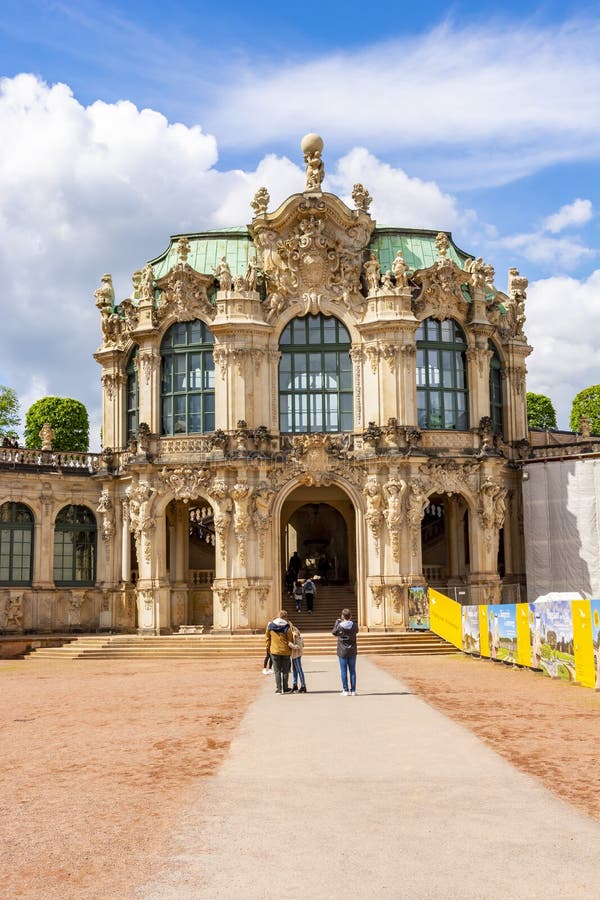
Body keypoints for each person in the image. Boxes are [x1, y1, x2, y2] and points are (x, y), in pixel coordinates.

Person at [265, 609, 294, 694]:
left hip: (274, 651)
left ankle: (279, 688)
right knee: (285, 670)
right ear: (285, 617)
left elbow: (267, 638)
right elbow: (290, 639)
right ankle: (285, 687)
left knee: (277, 671)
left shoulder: (270, 626)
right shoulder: (287, 626)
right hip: (285, 651)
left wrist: (268, 647)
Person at [332, 608, 358, 696]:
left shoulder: (339, 625)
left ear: (342, 616)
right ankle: (353, 690)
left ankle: (345, 690)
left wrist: (337, 622)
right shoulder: (354, 625)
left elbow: (334, 632)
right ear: (350, 616)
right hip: (352, 650)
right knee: (352, 671)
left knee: (343, 671)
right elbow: (356, 631)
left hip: (342, 651)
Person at [289, 623, 307, 693]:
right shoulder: (295, 629)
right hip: (296, 653)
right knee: (295, 670)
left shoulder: (293, 632)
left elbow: (297, 644)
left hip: (296, 653)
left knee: (299, 669)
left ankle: (303, 686)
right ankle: (295, 685)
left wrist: (288, 643)